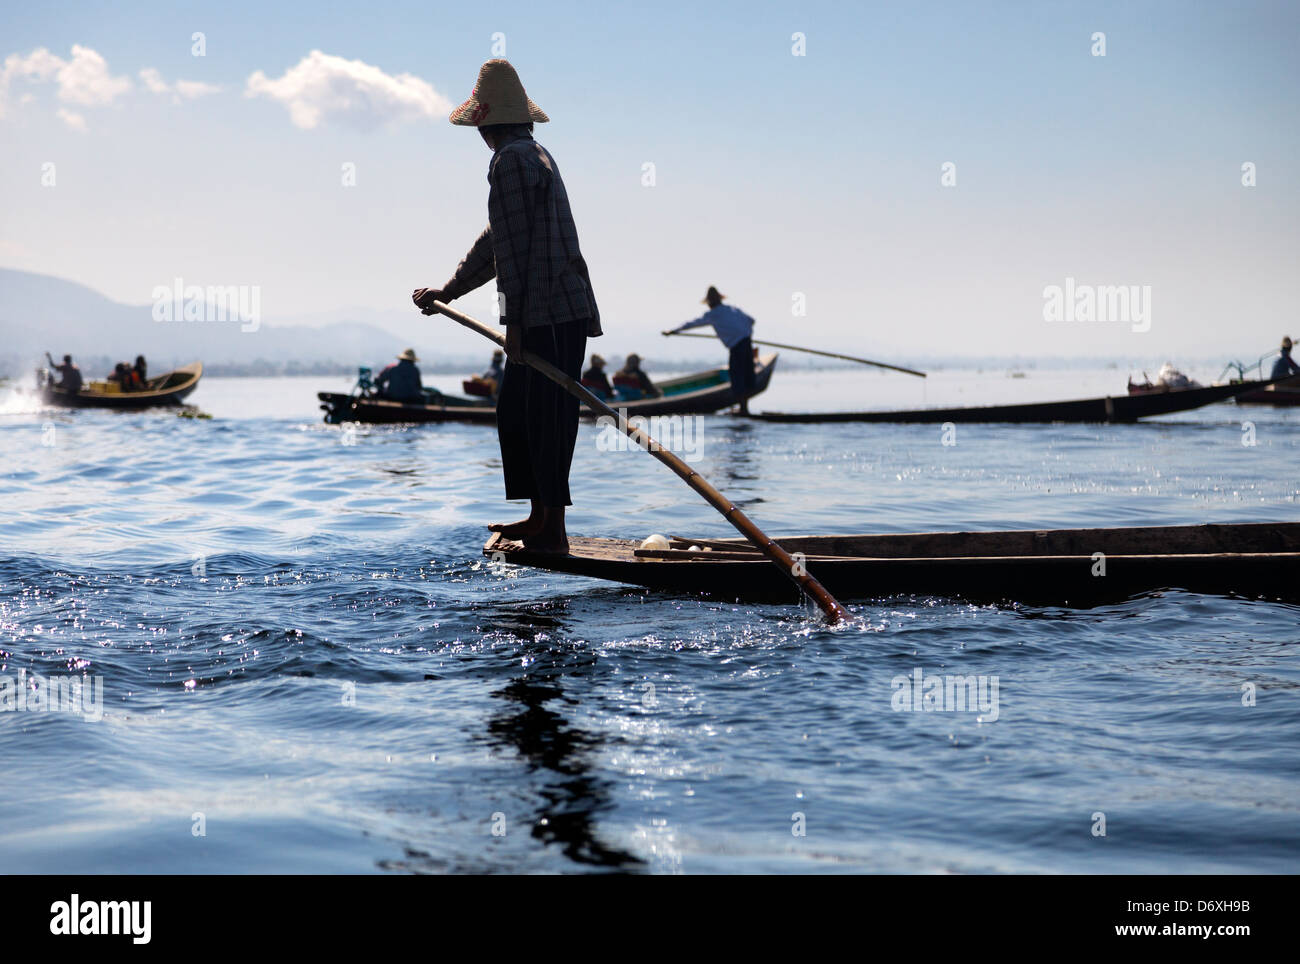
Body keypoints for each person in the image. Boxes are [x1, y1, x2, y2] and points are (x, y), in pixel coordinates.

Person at [412, 59, 601, 553]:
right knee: (517, 410)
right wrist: (449, 291)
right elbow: (498, 240)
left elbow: (513, 254)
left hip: (551, 311)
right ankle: (539, 516)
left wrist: (513, 323)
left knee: (547, 417)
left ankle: (552, 531)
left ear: (487, 125)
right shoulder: (528, 154)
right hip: (548, 309)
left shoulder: (511, 160)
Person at [664, 286, 756, 413]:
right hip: (746, 343)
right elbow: (751, 321)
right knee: (746, 375)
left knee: (738, 376)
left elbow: (693, 323)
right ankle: (744, 408)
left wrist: (674, 330)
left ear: (710, 302)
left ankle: (743, 409)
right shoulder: (733, 309)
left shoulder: (713, 314)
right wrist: (740, 331)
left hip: (737, 346)